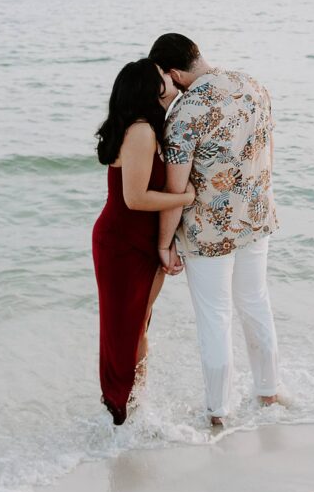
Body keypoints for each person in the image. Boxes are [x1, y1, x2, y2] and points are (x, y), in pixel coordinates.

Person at [149, 33, 281, 427]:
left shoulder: (187, 111)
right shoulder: (253, 85)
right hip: (256, 218)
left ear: (173, 72)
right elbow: (268, 151)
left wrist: (163, 242)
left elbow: (176, 188)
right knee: (256, 303)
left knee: (215, 317)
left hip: (209, 233)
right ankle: (269, 393)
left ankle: (219, 413)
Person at [91, 59, 195, 425]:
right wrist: (185, 198)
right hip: (121, 244)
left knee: (139, 327)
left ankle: (133, 410)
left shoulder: (151, 128)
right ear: (149, 90)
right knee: (126, 332)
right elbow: (135, 198)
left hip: (142, 240)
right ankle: (122, 414)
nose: (169, 77)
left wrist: (166, 242)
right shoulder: (140, 131)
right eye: (161, 76)